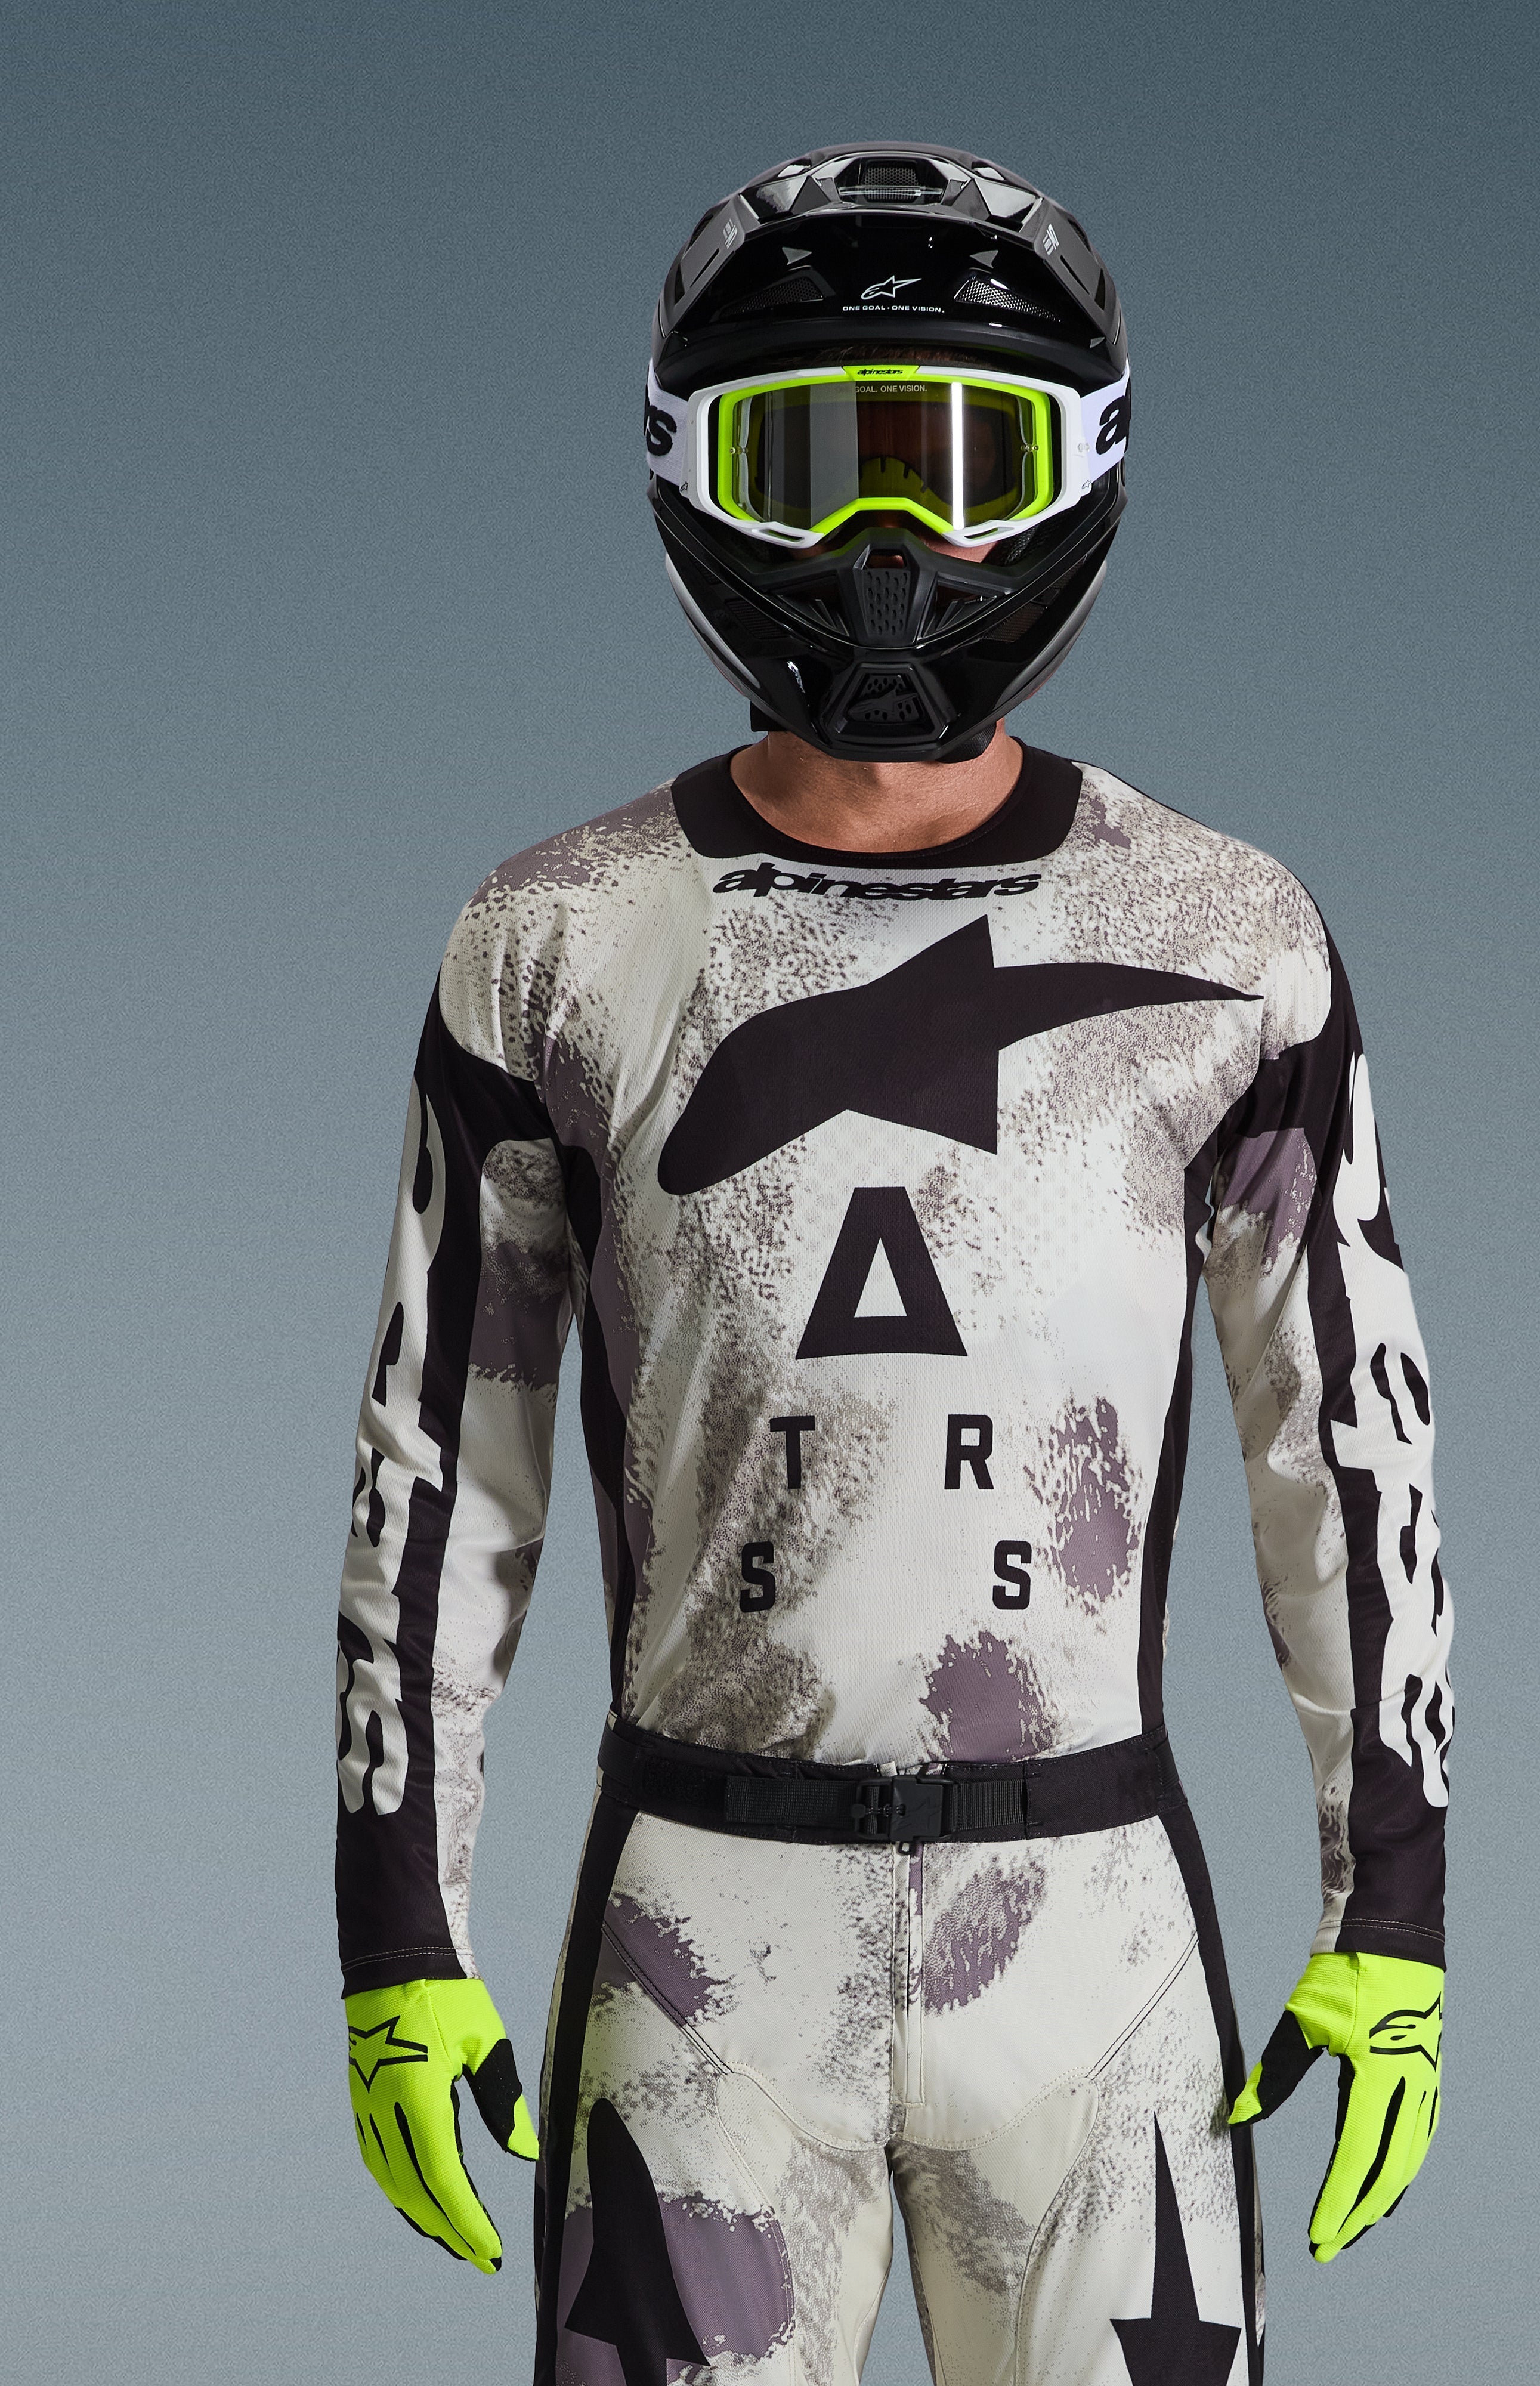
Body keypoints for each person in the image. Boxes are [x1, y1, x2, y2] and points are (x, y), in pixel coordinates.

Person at [335, 143, 1453, 2386]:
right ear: (692, 473)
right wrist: (396, 1929)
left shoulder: (1228, 940)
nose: (891, 545)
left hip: (1087, 1931)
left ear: (1081, 474)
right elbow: (444, 1467)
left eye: (966, 465)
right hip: (705, 1937)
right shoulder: (554, 940)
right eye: (813, 465)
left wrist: (1394, 1906)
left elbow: (1345, 1448)